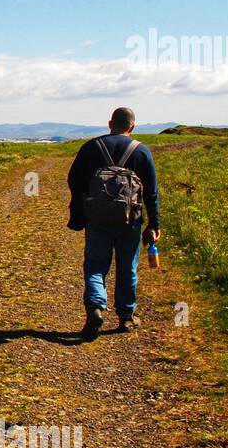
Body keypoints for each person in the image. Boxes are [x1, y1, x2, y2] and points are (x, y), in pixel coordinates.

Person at [66, 107, 160, 337]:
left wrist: (80, 211)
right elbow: (152, 193)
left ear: (110, 123)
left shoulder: (91, 148)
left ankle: (96, 306)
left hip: (97, 218)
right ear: (132, 126)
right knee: (127, 267)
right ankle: (126, 318)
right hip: (131, 220)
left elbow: (74, 181)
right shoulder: (142, 152)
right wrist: (154, 224)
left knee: (96, 265)